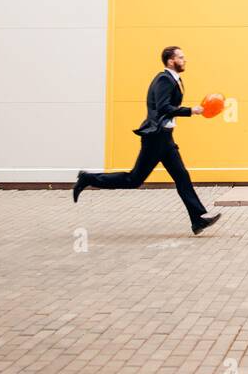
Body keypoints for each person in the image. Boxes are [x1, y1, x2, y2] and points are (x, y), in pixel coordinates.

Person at [72, 46, 221, 235]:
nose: (185, 60)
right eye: (181, 58)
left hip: (166, 138)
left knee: (182, 176)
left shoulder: (174, 80)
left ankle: (197, 220)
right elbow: (163, 107)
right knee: (134, 179)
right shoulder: (164, 80)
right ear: (170, 61)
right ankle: (88, 178)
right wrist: (191, 111)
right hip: (156, 138)